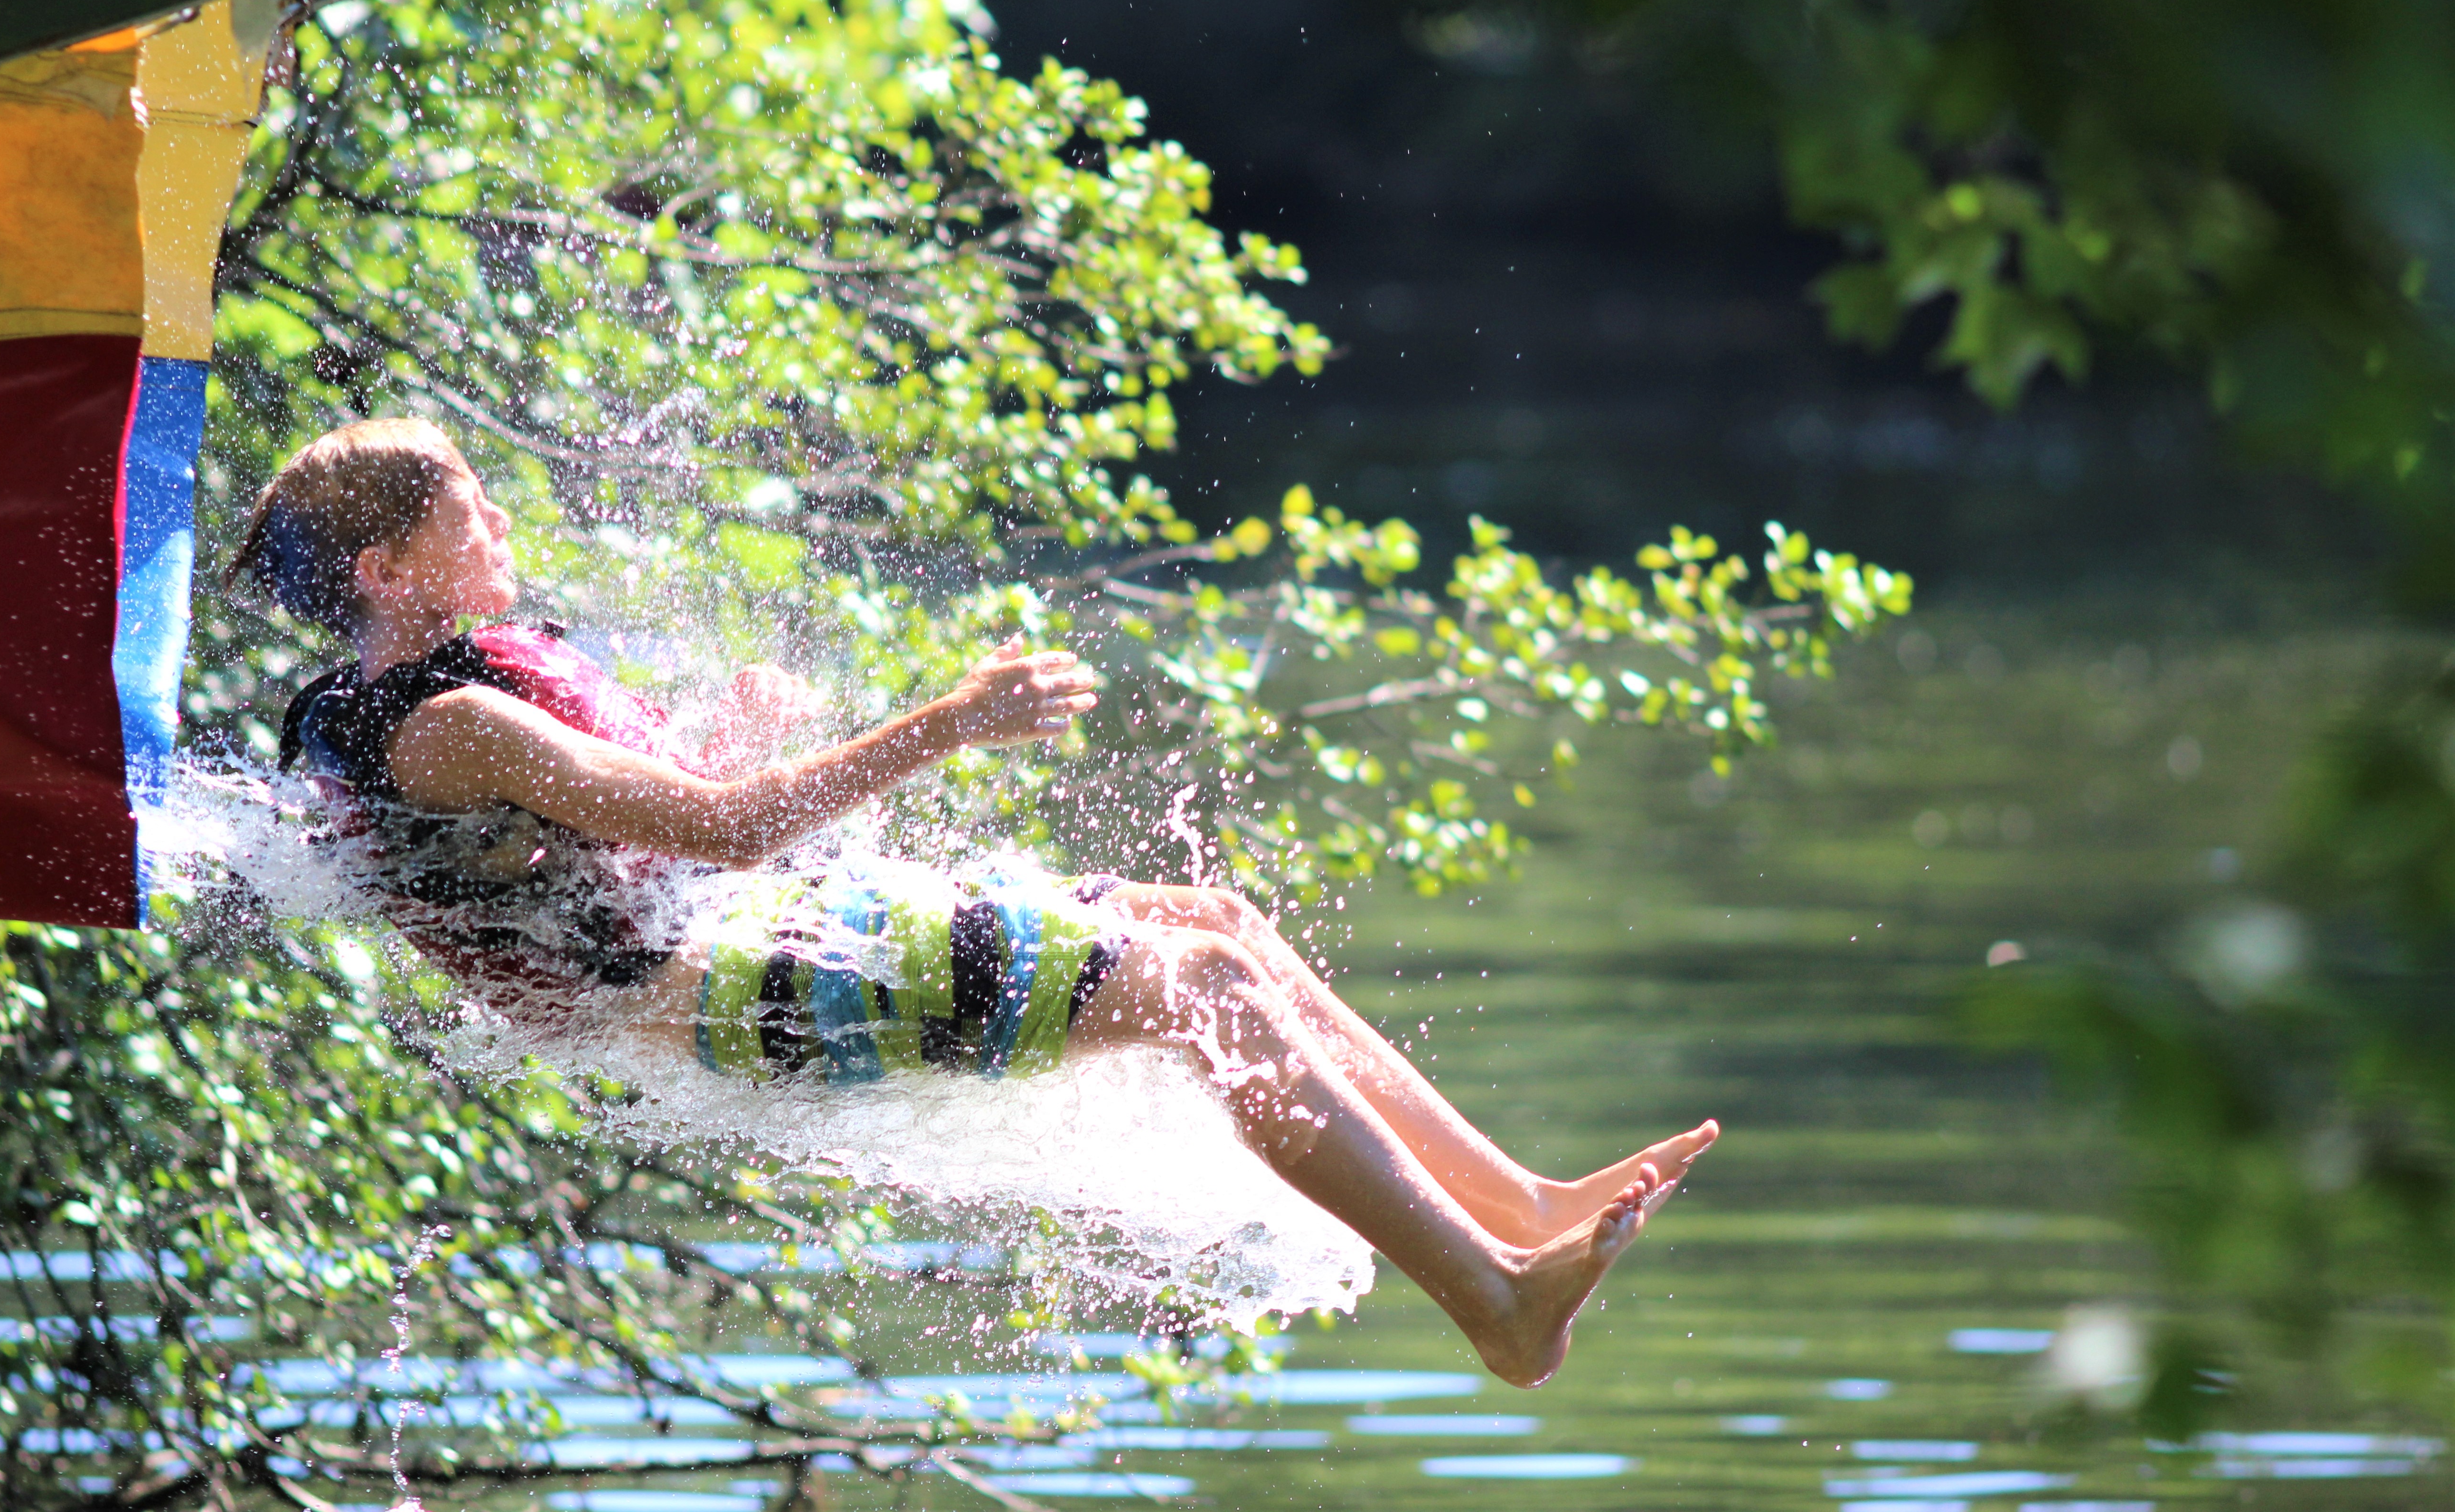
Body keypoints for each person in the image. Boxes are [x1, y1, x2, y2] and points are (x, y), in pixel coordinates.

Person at [230, 417, 1718, 1388]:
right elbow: (728, 838)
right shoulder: (447, 723)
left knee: (1214, 924)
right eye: (466, 510)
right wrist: (954, 719)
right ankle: (1493, 1299)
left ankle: (1518, 1203)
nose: (499, 519)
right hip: (744, 987)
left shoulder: (430, 701)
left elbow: (643, 834)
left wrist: (745, 729)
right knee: (1205, 1001)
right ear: (386, 568)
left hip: (744, 953)